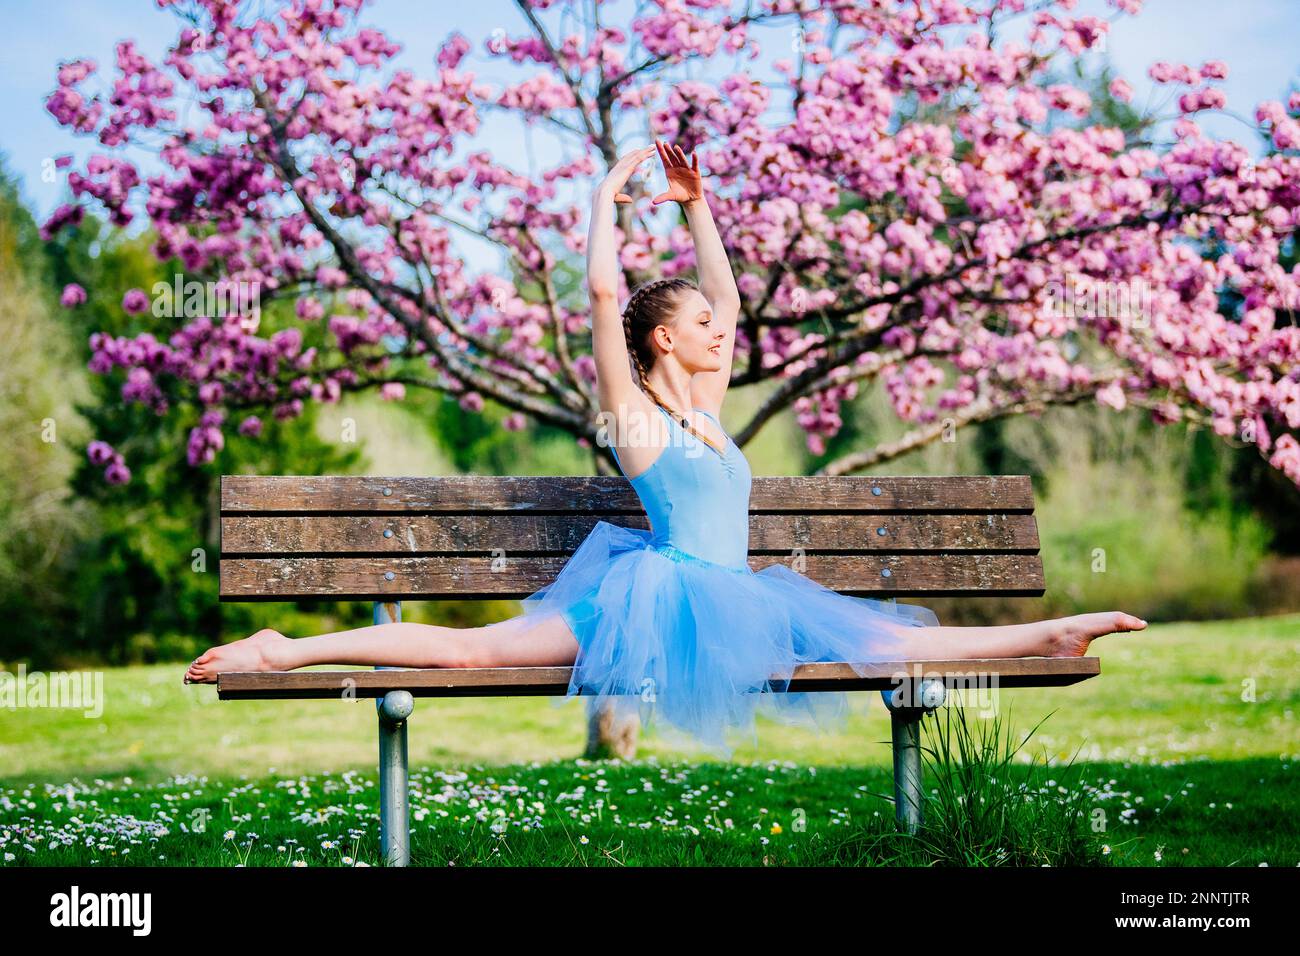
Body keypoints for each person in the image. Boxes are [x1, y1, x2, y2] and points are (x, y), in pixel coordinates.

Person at [185, 139, 1146, 757]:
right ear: (661, 342)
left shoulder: (708, 407)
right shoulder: (637, 417)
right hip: (655, 592)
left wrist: (695, 206)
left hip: (740, 592)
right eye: (698, 325)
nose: (722, 331)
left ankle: (1051, 633)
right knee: (477, 654)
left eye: (716, 326)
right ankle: (283, 650)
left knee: (883, 640)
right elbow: (603, 297)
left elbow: (728, 299)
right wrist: (608, 193)